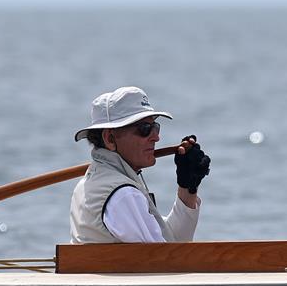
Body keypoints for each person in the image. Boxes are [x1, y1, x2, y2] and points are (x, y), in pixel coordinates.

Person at [70, 86, 210, 243]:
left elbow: (170, 243)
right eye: (145, 129)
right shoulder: (124, 194)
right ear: (110, 138)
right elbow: (168, 261)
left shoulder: (89, 182)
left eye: (155, 127)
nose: (156, 137)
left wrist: (187, 189)